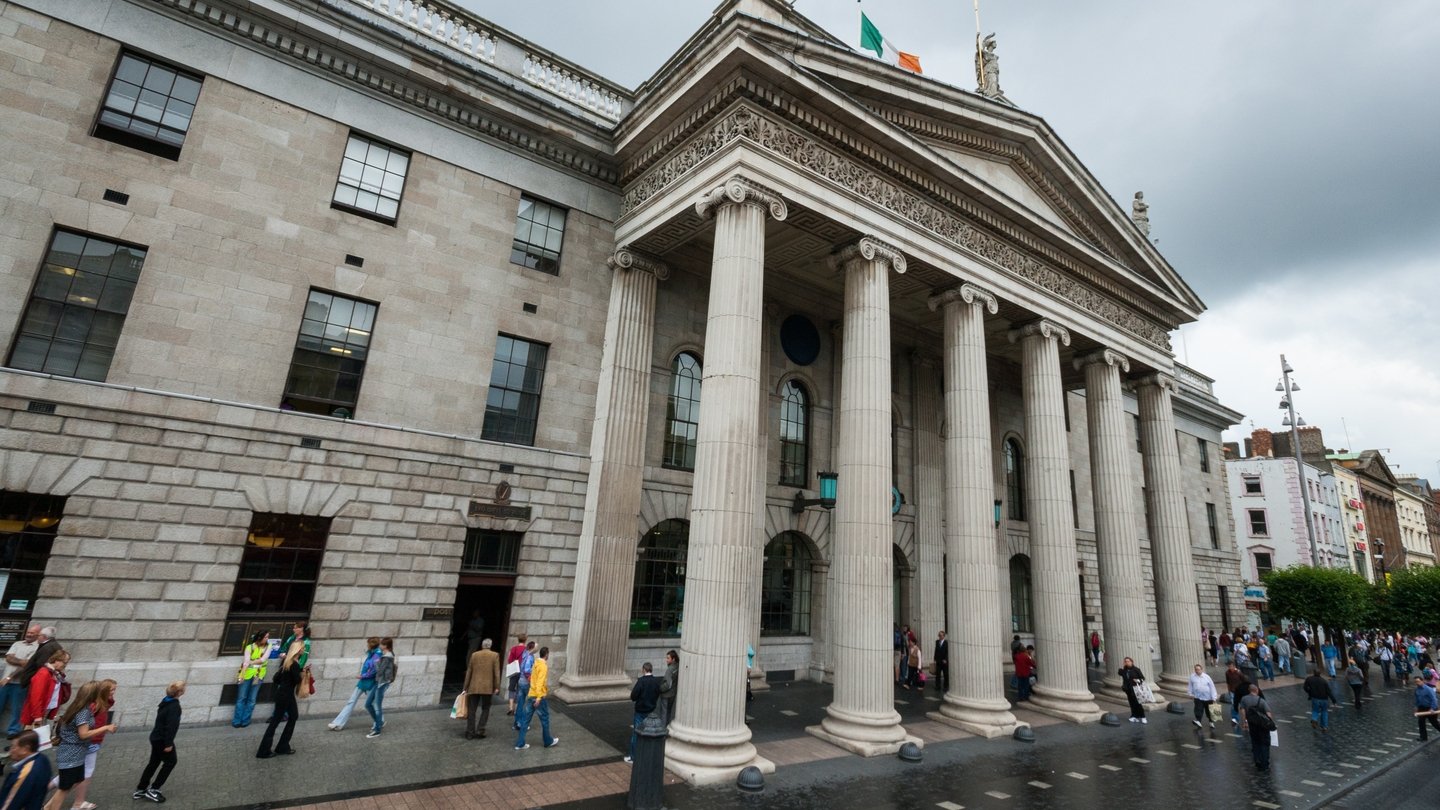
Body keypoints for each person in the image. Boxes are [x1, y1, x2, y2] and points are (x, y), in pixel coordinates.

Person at [52, 681, 117, 810]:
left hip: (74, 753)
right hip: (72, 754)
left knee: (68, 784)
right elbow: (83, 734)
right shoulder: (84, 711)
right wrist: (106, 728)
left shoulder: (79, 707)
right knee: (64, 788)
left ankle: (48, 805)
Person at [134, 681, 184, 803]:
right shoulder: (174, 706)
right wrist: (168, 744)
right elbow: (171, 727)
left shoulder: (166, 701)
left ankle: (141, 789)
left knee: (154, 763)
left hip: (156, 737)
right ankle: (154, 789)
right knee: (171, 762)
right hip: (162, 740)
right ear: (180, 692)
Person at [256, 641, 304, 758]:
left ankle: (282, 746)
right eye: (303, 648)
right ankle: (264, 751)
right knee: (276, 721)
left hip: (283, 693)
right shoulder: (294, 664)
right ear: (298, 650)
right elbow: (297, 680)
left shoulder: (287, 662)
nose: (304, 650)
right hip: (286, 695)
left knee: (293, 716)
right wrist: (302, 673)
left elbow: (277, 679)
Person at [328, 637, 382, 731]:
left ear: (371, 644)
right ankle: (338, 723)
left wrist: (363, 676)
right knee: (351, 701)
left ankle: (379, 721)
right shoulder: (371, 653)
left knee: (373, 704)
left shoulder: (377, 655)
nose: (367, 645)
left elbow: (374, 670)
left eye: (368, 643)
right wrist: (363, 677)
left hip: (370, 683)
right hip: (363, 682)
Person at [2, 624, 41, 738]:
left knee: (17, 709)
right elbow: (8, 657)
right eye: (28, 632)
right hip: (4, 682)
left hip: (19, 683)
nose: (29, 634)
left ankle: (13, 731)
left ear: (38, 635)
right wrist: (20, 661)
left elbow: (27, 665)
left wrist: (10, 676)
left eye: (32, 633)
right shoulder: (17, 643)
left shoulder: (37, 648)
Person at [514, 646, 556, 751]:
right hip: (538, 696)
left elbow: (533, 680)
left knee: (525, 720)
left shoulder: (535, 664)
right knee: (545, 718)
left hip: (531, 694)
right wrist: (538, 697)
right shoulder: (543, 666)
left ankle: (520, 743)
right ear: (546, 655)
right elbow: (540, 682)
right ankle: (547, 741)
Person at [1, 730, 51, 810]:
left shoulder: (24, 774)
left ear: (25, 749)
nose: (11, 750)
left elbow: (9, 803)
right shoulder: (43, 759)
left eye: (13, 747)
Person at [462, 638, 501, 740]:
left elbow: (469, 672)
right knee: (486, 708)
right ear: (490, 646)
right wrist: (497, 686)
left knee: (472, 709)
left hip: (474, 686)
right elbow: (496, 673)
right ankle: (480, 730)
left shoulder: (475, 655)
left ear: (482, 645)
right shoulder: (495, 655)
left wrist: (465, 687)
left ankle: (470, 732)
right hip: (487, 687)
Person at [20, 649, 68, 729]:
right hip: (39, 712)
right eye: (65, 662)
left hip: (47, 710)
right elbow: (36, 696)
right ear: (57, 661)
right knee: (32, 736)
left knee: (40, 736)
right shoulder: (44, 673)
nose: (65, 665)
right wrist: (37, 715)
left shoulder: (56, 673)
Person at [625, 662, 661, 764]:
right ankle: (646, 755)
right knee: (648, 733)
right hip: (650, 710)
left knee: (636, 734)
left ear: (643, 670)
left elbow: (634, 696)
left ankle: (633, 756)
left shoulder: (641, 681)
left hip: (640, 710)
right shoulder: (656, 681)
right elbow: (657, 693)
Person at [233, 630, 269, 728]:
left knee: (252, 699)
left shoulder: (268, 647)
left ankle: (245, 720)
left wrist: (251, 662)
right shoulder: (249, 647)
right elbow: (245, 662)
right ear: (259, 638)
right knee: (241, 698)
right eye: (265, 637)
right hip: (247, 674)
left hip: (258, 675)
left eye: (267, 637)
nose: (267, 639)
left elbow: (263, 660)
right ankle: (237, 720)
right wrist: (241, 675)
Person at [1238, 682, 1275, 770]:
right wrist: (1270, 723)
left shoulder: (1244, 699)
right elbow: (1268, 713)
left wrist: (1244, 722)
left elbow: (1242, 711)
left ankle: (1257, 760)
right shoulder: (1261, 701)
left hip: (1252, 725)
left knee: (1255, 743)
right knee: (1264, 744)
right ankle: (1265, 762)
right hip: (1262, 725)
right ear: (1257, 690)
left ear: (1249, 690)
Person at [365, 637, 396, 739]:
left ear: (385, 646)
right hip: (378, 682)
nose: (380, 645)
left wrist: (376, 662)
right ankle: (380, 722)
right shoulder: (386, 655)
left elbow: (380, 671)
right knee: (368, 704)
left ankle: (377, 730)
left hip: (382, 683)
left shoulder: (387, 657)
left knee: (377, 707)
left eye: (382, 644)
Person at [512, 641, 536, 730]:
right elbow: (527, 670)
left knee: (520, 703)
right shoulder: (530, 657)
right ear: (532, 648)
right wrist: (531, 680)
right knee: (528, 703)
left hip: (520, 680)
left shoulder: (525, 653)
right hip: (526, 682)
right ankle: (522, 723)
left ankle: (517, 723)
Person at [1187, 663, 1217, 729]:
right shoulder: (1192, 677)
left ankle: (1211, 722)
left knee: (1209, 710)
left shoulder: (1207, 677)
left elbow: (1212, 686)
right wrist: (1190, 693)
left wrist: (1214, 697)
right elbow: (1190, 686)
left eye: (1198, 669)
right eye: (1196, 669)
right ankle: (1198, 721)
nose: (1197, 671)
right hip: (1198, 697)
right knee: (1198, 709)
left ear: (1201, 670)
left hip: (1208, 697)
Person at [1118, 656, 1147, 724]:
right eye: (1125, 661)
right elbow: (1119, 672)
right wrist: (1124, 666)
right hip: (1128, 689)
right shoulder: (1124, 671)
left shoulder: (1136, 669)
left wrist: (1137, 680)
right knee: (1131, 703)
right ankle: (1134, 716)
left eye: (1128, 661)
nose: (1127, 662)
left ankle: (1143, 716)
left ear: (1132, 662)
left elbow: (1142, 678)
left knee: (1138, 703)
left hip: (1136, 689)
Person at [505, 634, 528, 716]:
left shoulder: (513, 649)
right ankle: (517, 709)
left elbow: (510, 660)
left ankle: (511, 707)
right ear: (525, 640)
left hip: (514, 671)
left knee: (511, 688)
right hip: (522, 673)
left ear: (518, 640)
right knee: (520, 690)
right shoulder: (526, 650)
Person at [1414, 675, 1440, 741]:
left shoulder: (1428, 689)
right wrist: (1416, 707)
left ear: (1422, 681)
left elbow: (1434, 699)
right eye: (1416, 682)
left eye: (1418, 681)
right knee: (1421, 722)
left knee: (1434, 723)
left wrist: (1432, 708)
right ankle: (1423, 737)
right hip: (1421, 708)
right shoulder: (1417, 690)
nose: (1417, 683)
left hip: (1430, 708)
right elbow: (1417, 699)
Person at [1224, 660, 1247, 726]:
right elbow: (1228, 682)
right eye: (1228, 666)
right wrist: (1229, 690)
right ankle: (1235, 718)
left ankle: (1245, 718)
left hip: (1240, 691)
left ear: (1234, 666)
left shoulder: (1239, 673)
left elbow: (1244, 681)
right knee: (1233, 705)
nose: (1230, 668)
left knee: (1242, 705)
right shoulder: (1227, 673)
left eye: (1231, 666)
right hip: (1232, 691)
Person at [660, 649, 679, 721]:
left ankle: (662, 729)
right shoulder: (678, 666)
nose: (666, 660)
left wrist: (660, 689)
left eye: (668, 658)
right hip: (673, 693)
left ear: (673, 659)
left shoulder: (670, 669)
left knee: (663, 713)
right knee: (668, 712)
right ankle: (667, 727)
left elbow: (668, 684)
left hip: (666, 694)